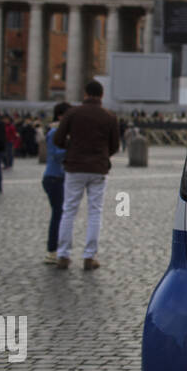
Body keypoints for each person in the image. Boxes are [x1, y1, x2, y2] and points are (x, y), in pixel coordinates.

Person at [54, 80, 121, 269]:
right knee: (95, 212)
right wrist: (100, 154)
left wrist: (73, 148)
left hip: (74, 166)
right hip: (98, 168)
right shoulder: (109, 116)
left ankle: (63, 254)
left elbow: (58, 139)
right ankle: (89, 256)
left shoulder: (72, 113)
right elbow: (115, 146)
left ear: (85, 94)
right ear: (101, 95)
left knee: (69, 210)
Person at [42, 102, 71, 265]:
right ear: (60, 116)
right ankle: (52, 250)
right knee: (58, 214)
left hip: (62, 178)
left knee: (62, 214)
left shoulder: (64, 132)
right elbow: (56, 154)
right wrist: (73, 147)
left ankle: (59, 248)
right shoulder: (54, 132)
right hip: (53, 178)